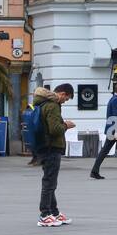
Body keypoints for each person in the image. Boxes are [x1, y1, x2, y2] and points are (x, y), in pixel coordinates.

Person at [34, 84, 75, 227]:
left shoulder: (44, 103)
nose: (65, 101)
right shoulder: (52, 105)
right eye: (67, 98)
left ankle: (54, 212)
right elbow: (54, 129)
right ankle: (44, 214)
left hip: (44, 146)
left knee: (50, 181)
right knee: (49, 182)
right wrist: (66, 125)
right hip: (51, 147)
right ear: (63, 94)